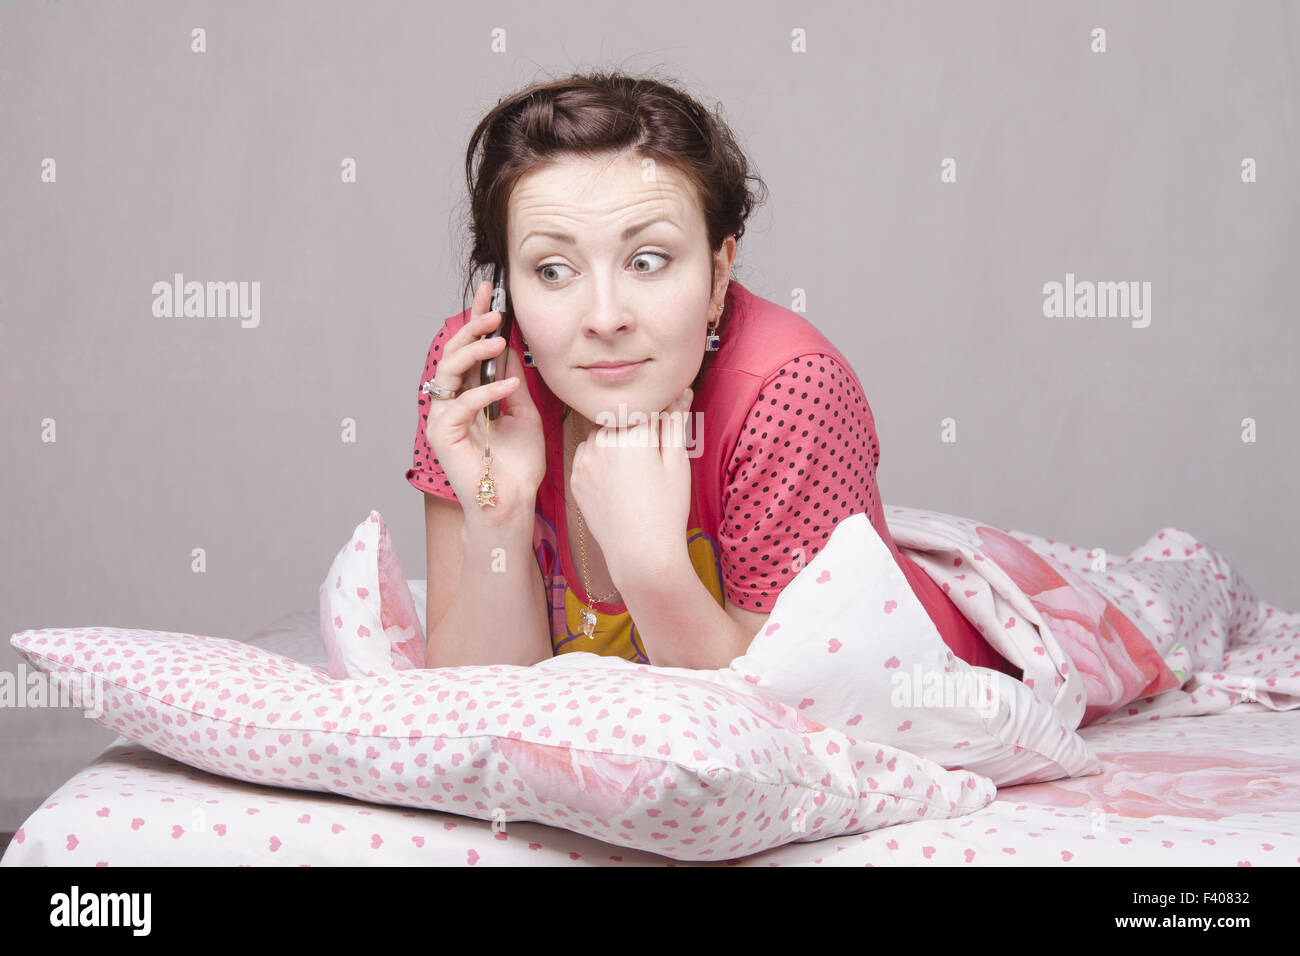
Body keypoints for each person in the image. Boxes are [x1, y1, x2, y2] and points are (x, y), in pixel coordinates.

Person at [406, 70, 1018, 676]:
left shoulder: (792, 390)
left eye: (647, 261)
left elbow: (789, 725)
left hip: (946, 674)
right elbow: (471, 697)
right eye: (551, 270)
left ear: (718, 272)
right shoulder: (481, 376)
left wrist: (651, 567)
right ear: (503, 284)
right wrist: (498, 515)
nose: (605, 317)